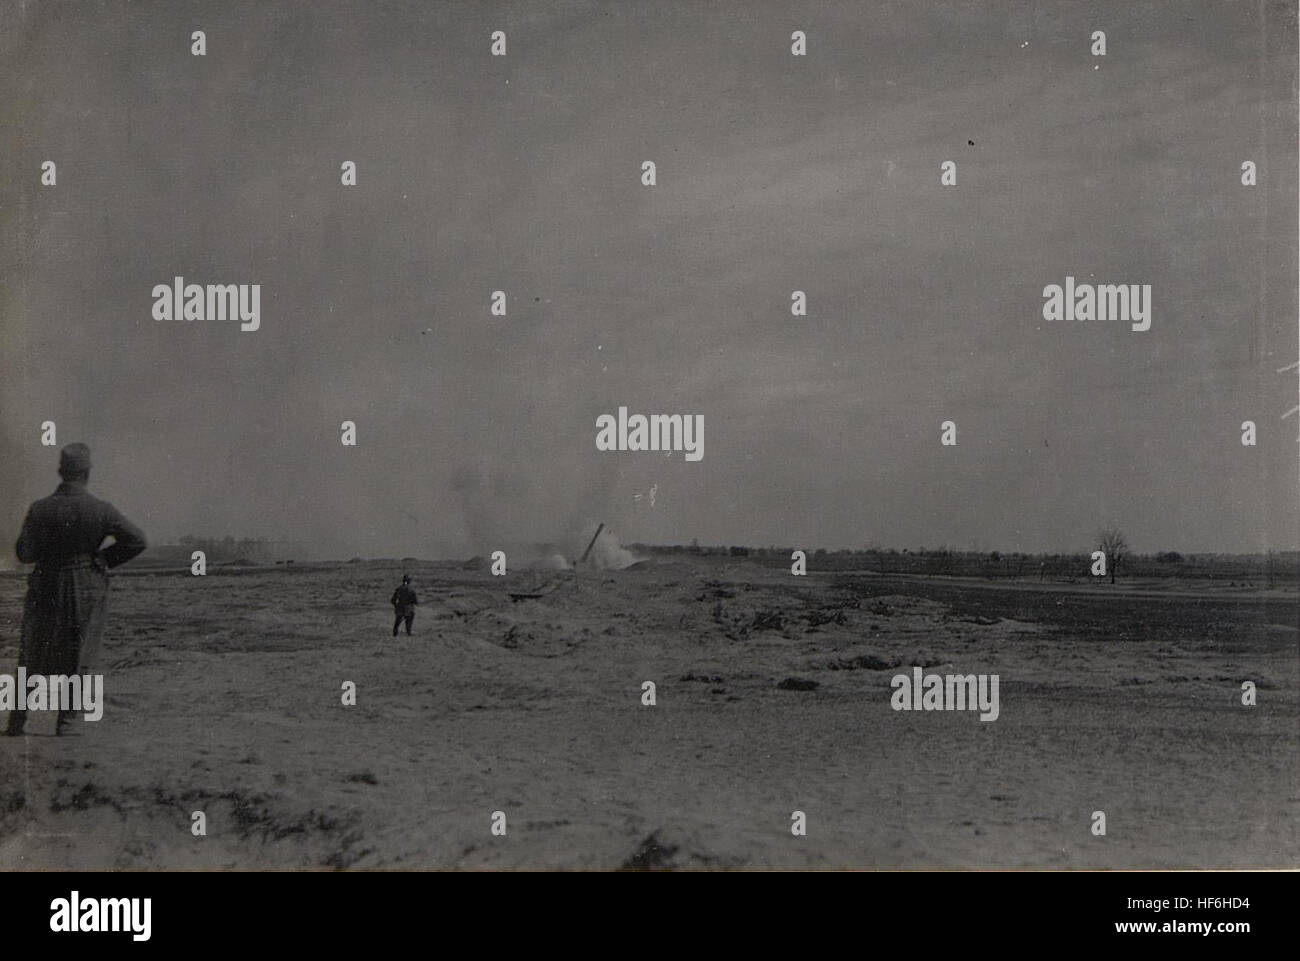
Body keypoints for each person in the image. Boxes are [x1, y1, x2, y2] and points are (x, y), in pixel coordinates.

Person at [6, 443, 147, 736]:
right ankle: (67, 722)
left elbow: (24, 553)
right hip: (86, 585)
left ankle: (17, 721)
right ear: (86, 473)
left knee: (33, 650)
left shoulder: (40, 509)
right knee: (79, 652)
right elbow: (137, 540)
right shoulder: (101, 509)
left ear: (60, 472)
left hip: (46, 582)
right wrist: (104, 559)